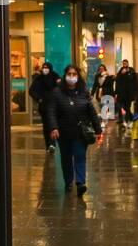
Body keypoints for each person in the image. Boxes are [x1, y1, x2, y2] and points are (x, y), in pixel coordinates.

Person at [44, 63, 103, 197]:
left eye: (74, 74)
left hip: (80, 132)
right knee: (66, 158)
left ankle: (80, 183)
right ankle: (68, 181)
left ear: (78, 76)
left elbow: (92, 111)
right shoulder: (57, 92)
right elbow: (51, 111)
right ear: (65, 76)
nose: (71, 77)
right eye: (69, 74)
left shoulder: (84, 92)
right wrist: (53, 127)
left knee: (80, 156)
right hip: (63, 132)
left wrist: (98, 129)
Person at [29, 62, 60, 151]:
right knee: (46, 126)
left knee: (52, 124)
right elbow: (31, 90)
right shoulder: (39, 78)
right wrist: (39, 99)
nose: (45, 69)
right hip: (43, 106)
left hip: (54, 106)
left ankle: (52, 143)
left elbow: (61, 87)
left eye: (47, 68)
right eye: (44, 67)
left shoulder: (55, 77)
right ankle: (48, 145)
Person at [114, 60, 138, 129]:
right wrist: (116, 92)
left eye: (125, 63)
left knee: (127, 107)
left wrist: (135, 92)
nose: (124, 64)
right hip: (121, 94)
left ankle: (129, 120)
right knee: (122, 107)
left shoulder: (131, 70)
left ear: (128, 63)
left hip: (129, 93)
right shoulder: (120, 71)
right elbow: (117, 81)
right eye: (123, 63)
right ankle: (129, 119)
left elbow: (135, 81)